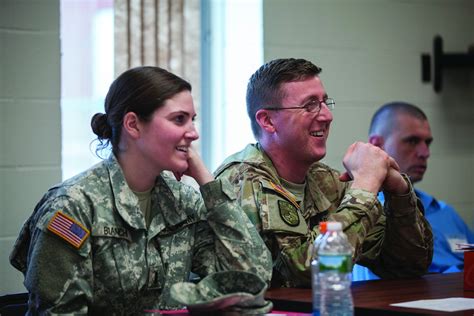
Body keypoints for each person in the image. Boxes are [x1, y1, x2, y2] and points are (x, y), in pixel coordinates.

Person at [9, 66, 272, 314]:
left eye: (192, 120)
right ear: (133, 124)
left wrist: (209, 184)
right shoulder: (74, 206)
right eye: (179, 120)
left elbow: (252, 280)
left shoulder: (182, 201)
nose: (193, 133)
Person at [214, 58, 433, 288]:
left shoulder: (324, 180)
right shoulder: (241, 181)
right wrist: (365, 187)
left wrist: (399, 191)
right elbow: (305, 272)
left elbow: (407, 265)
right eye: (310, 105)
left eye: (325, 102)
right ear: (268, 121)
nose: (327, 115)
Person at [355, 101, 473, 277]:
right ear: (377, 146)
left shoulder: (444, 212)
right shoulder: (365, 215)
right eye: (412, 141)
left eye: (428, 142)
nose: (425, 152)